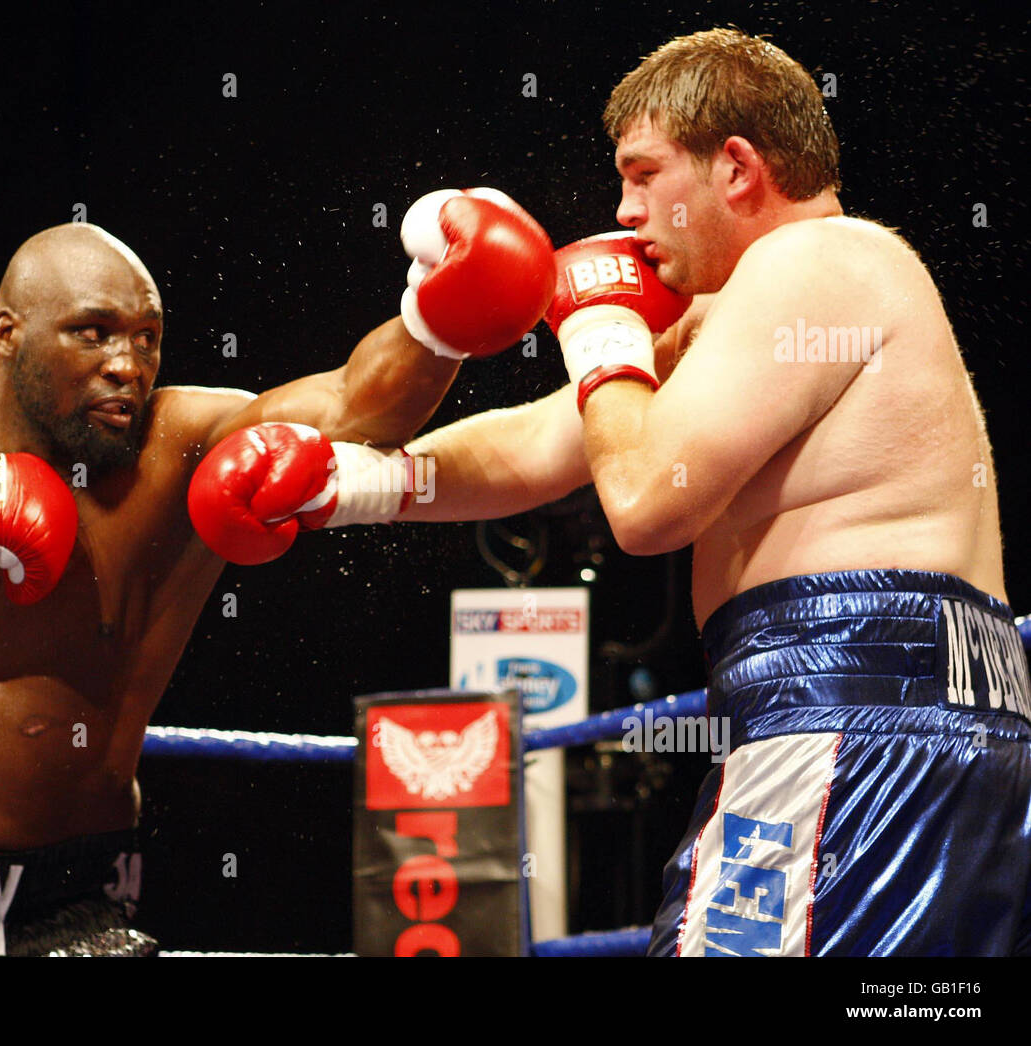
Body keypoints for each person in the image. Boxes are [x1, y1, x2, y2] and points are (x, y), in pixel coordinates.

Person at [201, 29, 1031, 956]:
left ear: (737, 168)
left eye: (644, 175)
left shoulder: (814, 263)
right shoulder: (778, 300)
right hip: (936, 725)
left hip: (848, 721)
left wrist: (599, 330)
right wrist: (355, 482)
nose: (625, 212)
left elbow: (642, 503)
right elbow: (542, 442)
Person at [0, 191, 556, 956]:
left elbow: (353, 404)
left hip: (61, 914)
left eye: (147, 337)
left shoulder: (179, 449)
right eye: (93, 333)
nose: (128, 363)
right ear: (7, 334)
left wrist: (437, 321)